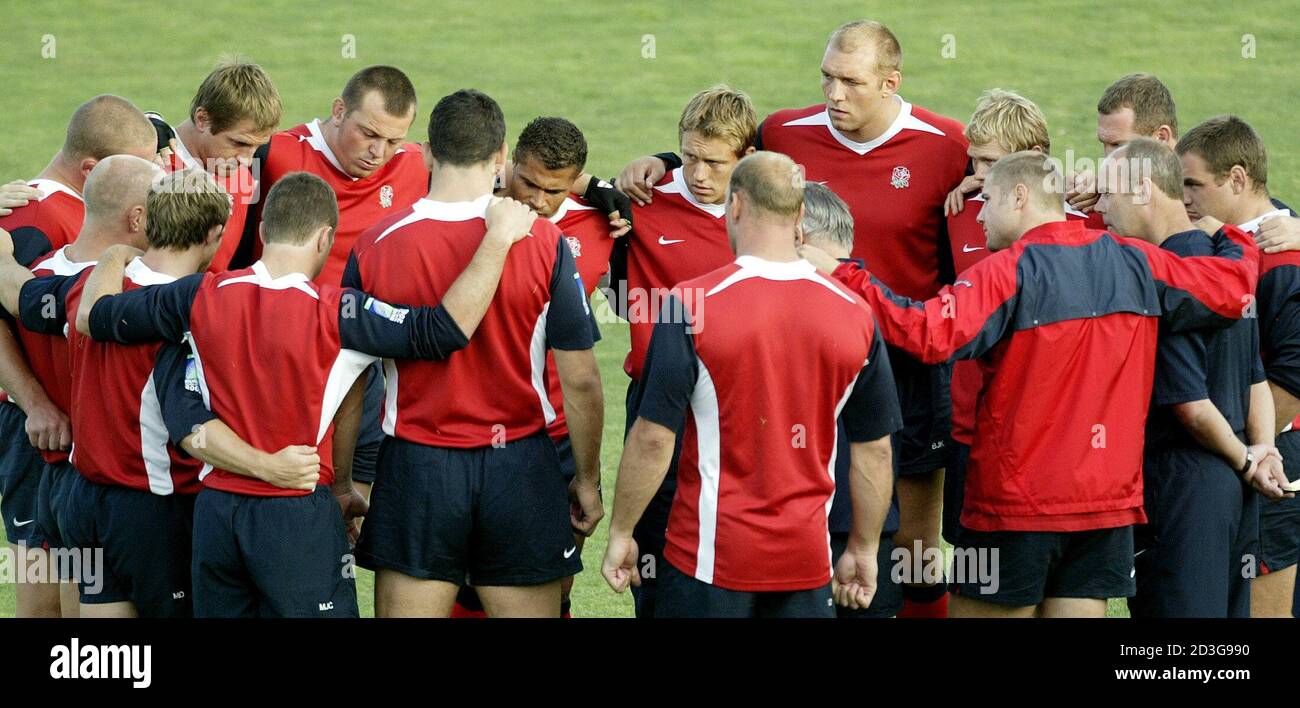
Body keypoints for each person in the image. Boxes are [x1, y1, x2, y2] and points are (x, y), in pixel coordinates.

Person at [801, 148, 1280, 617]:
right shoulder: (1136, 261)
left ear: (1020, 197)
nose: (980, 215)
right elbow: (1234, 291)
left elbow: (926, 333)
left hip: (1014, 509)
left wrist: (843, 274)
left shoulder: (1008, 271)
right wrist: (1231, 235)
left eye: (988, 199)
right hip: (1105, 512)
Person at [78, 171, 537, 617]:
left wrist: (114, 257)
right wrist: (497, 240)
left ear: (261, 230)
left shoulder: (199, 294)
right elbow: (444, 331)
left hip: (215, 516)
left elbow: (95, 317)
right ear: (324, 239)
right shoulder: (338, 312)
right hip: (295, 514)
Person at [0, 169, 317, 617]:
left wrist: (110, 255)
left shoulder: (90, 286)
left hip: (82, 498)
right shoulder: (196, 309)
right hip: (155, 507)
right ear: (212, 234)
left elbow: (20, 295)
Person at [602, 151, 899, 617]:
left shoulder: (691, 304)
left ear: (734, 206)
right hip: (807, 562)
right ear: (801, 215)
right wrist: (864, 548)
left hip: (707, 561)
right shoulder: (856, 312)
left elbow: (653, 437)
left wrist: (622, 532)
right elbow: (875, 449)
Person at [348, 90, 603, 618]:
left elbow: (353, 379)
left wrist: (340, 480)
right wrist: (587, 480)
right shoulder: (543, 242)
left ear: (424, 152)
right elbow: (580, 382)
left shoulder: (374, 244)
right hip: (520, 466)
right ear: (501, 156)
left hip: (416, 468)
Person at [1093, 138, 1276, 617]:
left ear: (1143, 190)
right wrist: (1262, 450)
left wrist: (1245, 461)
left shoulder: (1168, 280)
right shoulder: (1228, 261)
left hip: (1185, 484)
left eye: (1108, 194)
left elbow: (1191, 406)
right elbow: (1255, 377)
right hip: (1236, 488)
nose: (1100, 207)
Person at [608, 84, 758, 617]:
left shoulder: (766, 218)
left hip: (737, 408)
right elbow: (560, 187)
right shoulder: (638, 200)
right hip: (655, 400)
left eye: (714, 162)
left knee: (734, 548)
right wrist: (654, 165)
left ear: (746, 159)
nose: (697, 173)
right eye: (688, 155)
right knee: (651, 550)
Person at [1177, 115, 1300, 617]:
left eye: (1193, 185)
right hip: (1237, 454)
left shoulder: (1283, 261)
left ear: (1237, 179)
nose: (1182, 198)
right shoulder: (1219, 242)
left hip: (1271, 460)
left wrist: (1245, 448)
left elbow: (1292, 384)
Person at [798, 181, 906, 618]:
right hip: (873, 530)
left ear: (797, 236)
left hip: (808, 528)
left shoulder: (810, 301)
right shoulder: (889, 306)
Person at [147, 59, 283, 272]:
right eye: (239, 143)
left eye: (257, 146)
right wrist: (145, 124)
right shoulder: (152, 163)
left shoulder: (242, 178)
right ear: (202, 119)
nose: (247, 160)